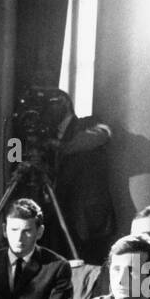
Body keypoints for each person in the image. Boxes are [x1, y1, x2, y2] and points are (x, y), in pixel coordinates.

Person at [46, 90, 115, 264]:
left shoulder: (87, 123)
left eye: (49, 104)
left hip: (84, 220)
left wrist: (62, 146)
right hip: (55, 217)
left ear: (65, 103)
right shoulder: (45, 135)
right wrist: (14, 149)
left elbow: (103, 133)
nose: (45, 111)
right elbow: (13, 156)